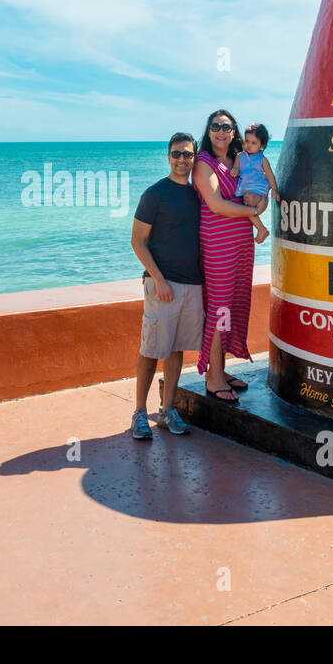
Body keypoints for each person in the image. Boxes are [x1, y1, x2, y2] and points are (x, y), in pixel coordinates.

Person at [129, 133, 205, 439]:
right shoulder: (154, 194)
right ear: (168, 156)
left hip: (193, 285)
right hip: (162, 284)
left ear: (194, 158)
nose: (182, 160)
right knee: (151, 350)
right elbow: (137, 241)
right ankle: (138, 412)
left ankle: (166, 410)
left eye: (188, 155)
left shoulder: (197, 195)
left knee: (175, 350)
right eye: (177, 154)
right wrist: (158, 279)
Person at [191, 110, 261, 403]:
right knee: (219, 307)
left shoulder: (241, 159)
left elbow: (258, 188)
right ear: (208, 131)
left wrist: (261, 202)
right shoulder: (203, 164)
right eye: (216, 126)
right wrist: (252, 213)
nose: (221, 131)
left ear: (234, 132)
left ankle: (221, 368)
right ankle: (213, 377)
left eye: (227, 127)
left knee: (234, 303)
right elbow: (217, 205)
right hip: (217, 244)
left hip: (242, 243)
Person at [227, 122, 279, 243]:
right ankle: (261, 229)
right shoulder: (240, 156)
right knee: (246, 209)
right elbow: (236, 167)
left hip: (258, 189)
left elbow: (269, 174)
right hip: (245, 188)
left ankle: (261, 229)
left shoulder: (262, 159)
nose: (249, 145)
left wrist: (275, 190)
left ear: (262, 145)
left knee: (248, 208)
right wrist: (234, 170)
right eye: (247, 141)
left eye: (254, 143)